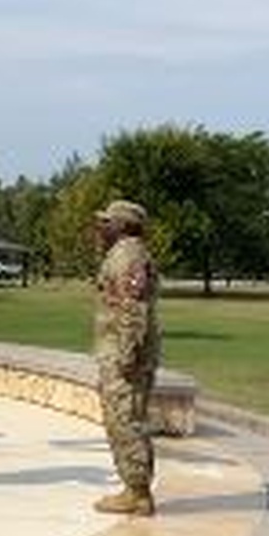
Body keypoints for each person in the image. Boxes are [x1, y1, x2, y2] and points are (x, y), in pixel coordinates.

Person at [92, 200, 161, 517]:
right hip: (121, 353)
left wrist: (127, 356)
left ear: (123, 225)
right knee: (124, 418)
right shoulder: (125, 252)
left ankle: (137, 492)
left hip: (125, 357)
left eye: (107, 223)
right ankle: (133, 488)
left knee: (126, 420)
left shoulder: (127, 256)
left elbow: (133, 311)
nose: (100, 228)